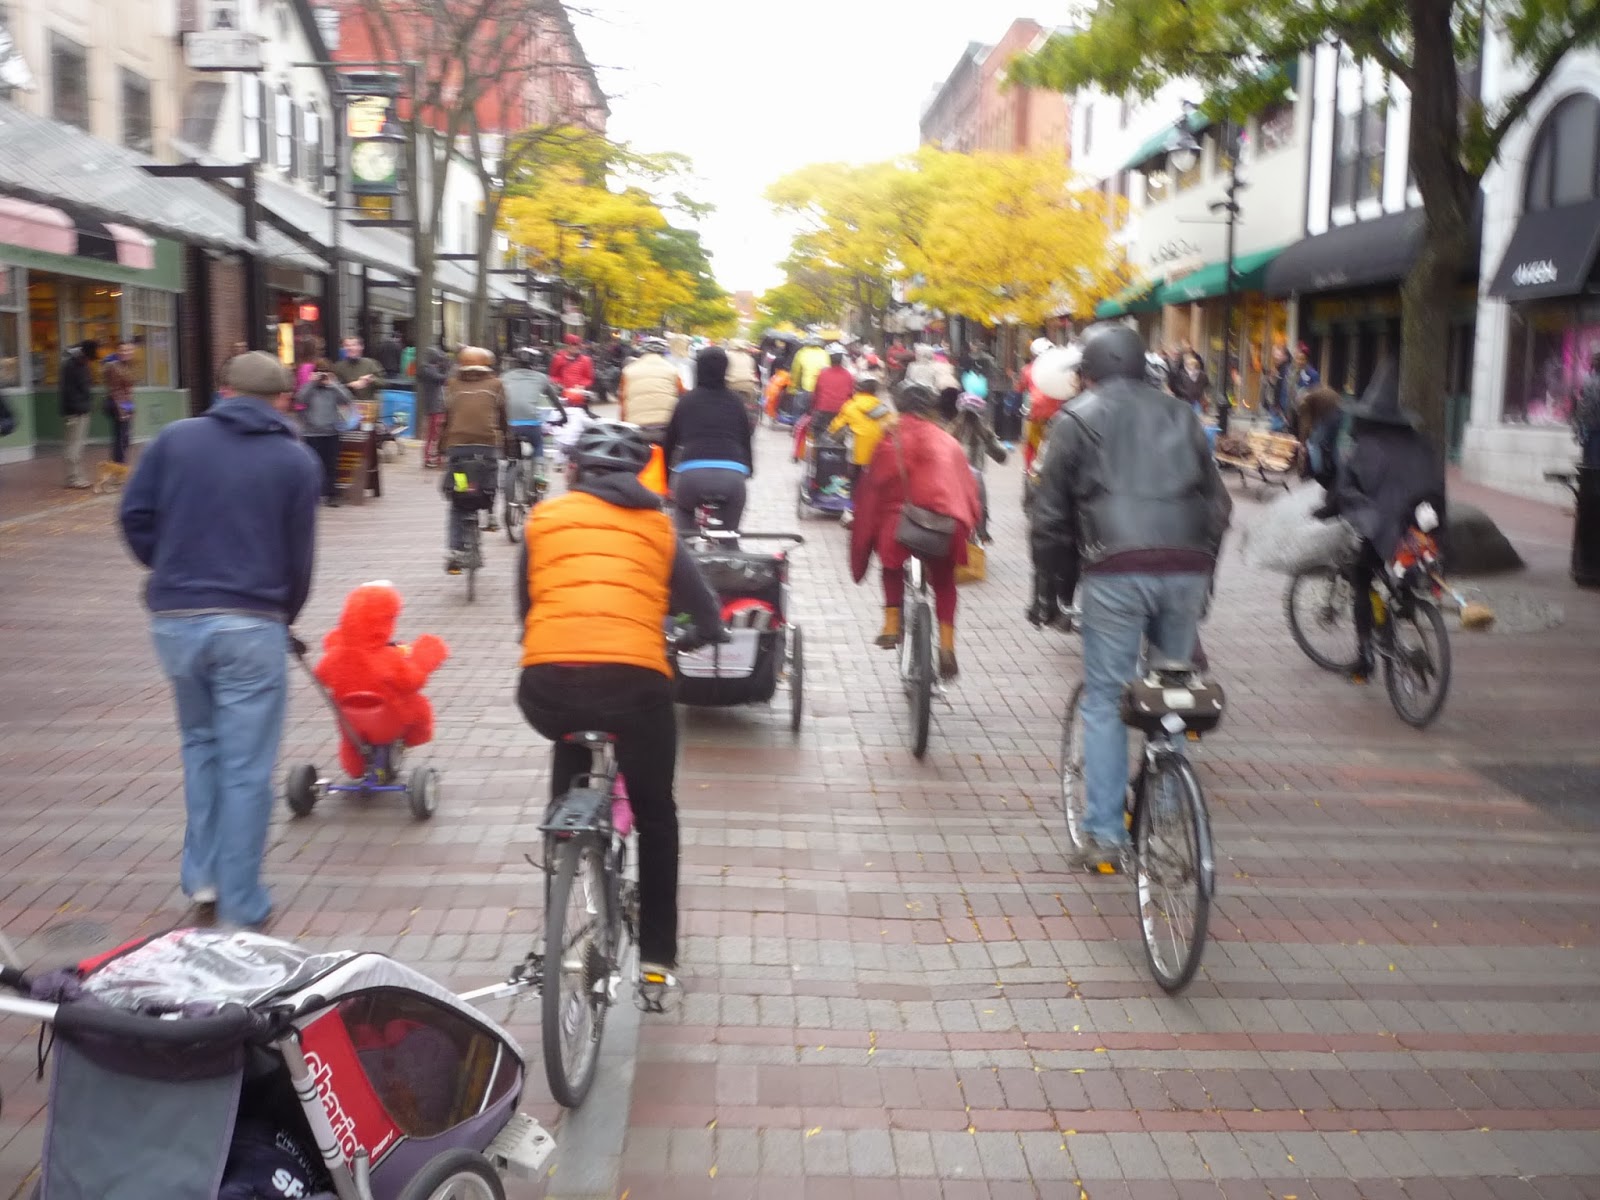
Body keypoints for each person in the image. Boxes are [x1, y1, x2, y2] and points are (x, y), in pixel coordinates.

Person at [516, 421, 726, 1006]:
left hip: (546, 684)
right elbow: (706, 616)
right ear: (639, 475)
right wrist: (689, 636)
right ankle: (658, 958)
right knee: (657, 814)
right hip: (636, 683)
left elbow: (525, 609)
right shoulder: (659, 527)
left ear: (576, 471)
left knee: (569, 731)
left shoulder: (542, 519)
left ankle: (564, 852)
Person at [118, 351, 319, 930]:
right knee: (246, 767)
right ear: (282, 399)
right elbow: (298, 558)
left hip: (176, 619)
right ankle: (242, 899)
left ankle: (202, 876)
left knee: (200, 747)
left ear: (223, 389)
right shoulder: (294, 460)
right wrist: (285, 612)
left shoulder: (175, 439)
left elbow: (134, 515)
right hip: (251, 622)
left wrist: (168, 566)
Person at [1029, 322, 1232, 867]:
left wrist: (1051, 592)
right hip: (1187, 563)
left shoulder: (1074, 419)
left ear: (1090, 373)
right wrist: (1202, 574)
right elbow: (1218, 506)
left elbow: (1049, 520)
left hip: (1115, 567)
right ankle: (1165, 808)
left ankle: (1104, 836)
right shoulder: (1183, 415)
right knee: (1174, 685)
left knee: (1105, 697)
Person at [1312, 362, 1445, 682]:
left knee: (1361, 579)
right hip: (1424, 531)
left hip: (1383, 531)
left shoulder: (1360, 449)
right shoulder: (1424, 447)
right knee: (1400, 577)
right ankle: (1403, 609)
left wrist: (1324, 513)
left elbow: (1343, 493)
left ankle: (1365, 658)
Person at [849, 383, 982, 680]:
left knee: (892, 566)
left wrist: (861, 541)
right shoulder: (948, 441)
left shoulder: (889, 439)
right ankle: (947, 645)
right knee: (945, 581)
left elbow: (873, 492)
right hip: (947, 527)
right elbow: (969, 492)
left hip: (900, 528)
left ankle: (891, 623)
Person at [663, 345, 755, 532]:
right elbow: (746, 440)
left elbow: (669, 442)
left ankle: (687, 546)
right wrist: (748, 470)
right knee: (729, 536)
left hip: (691, 476)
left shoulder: (686, 401)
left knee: (683, 520)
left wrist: (666, 479)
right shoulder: (736, 402)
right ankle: (729, 549)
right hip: (732, 477)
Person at [438, 345, 510, 570]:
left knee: (459, 500)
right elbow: (502, 416)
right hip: (487, 447)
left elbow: (447, 418)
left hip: (458, 450)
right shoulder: (496, 385)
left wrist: (442, 447)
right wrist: (506, 440)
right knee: (489, 482)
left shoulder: (451, 385)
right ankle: (489, 516)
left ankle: (455, 550)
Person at [295, 360, 355, 505]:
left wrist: (333, 384)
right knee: (313, 465)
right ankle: (313, 493)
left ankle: (332, 495)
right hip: (311, 432)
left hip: (331, 432)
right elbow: (300, 399)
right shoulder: (309, 388)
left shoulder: (333, 387)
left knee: (331, 465)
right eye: (319, 371)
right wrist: (311, 383)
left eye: (325, 371)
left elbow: (347, 399)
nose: (322, 375)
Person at [502, 346, 566, 475]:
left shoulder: (505, 377)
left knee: (510, 447)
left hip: (509, 425)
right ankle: (539, 471)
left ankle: (511, 465)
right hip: (531, 424)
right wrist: (564, 416)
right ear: (535, 363)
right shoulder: (541, 378)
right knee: (538, 445)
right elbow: (554, 399)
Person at [792, 343, 856, 460]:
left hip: (821, 412)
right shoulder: (849, 376)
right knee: (840, 441)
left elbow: (815, 395)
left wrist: (811, 411)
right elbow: (852, 397)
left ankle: (815, 462)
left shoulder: (822, 373)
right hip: (841, 415)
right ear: (842, 359)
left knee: (816, 438)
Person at [619, 337, 683, 441]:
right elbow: (682, 395)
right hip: (666, 426)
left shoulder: (628, 371)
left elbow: (622, 401)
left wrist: (623, 424)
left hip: (636, 427)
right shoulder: (672, 370)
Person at [60, 339, 97, 488]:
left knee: (77, 444)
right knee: (74, 445)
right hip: (76, 412)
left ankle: (76, 476)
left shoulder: (80, 363)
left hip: (80, 410)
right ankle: (73, 477)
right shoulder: (72, 365)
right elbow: (69, 391)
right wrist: (80, 408)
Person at [1294, 383, 1344, 491]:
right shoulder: (1315, 393)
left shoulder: (1305, 402)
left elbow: (1305, 424)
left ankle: (1317, 472)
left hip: (1330, 414)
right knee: (1333, 444)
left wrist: (1302, 442)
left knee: (1314, 443)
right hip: (1340, 412)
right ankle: (1339, 472)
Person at [104, 340, 138, 469]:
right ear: (118, 352)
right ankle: (118, 468)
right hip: (117, 406)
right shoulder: (113, 367)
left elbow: (129, 389)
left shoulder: (128, 365)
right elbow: (115, 390)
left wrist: (130, 408)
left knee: (125, 438)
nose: (126, 353)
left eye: (129, 350)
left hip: (127, 405)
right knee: (120, 438)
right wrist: (122, 410)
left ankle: (117, 467)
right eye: (123, 350)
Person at [333, 337, 384, 420]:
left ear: (361, 347)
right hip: (348, 410)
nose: (350, 348)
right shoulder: (338, 367)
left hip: (368, 409)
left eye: (353, 345)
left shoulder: (371, 364)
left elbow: (383, 383)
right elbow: (333, 388)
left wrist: (371, 380)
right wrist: (350, 385)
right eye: (347, 345)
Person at [417, 347, 450, 468]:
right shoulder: (428, 370)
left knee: (435, 434)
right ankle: (430, 457)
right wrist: (446, 364)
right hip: (434, 407)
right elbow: (442, 378)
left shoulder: (428, 369)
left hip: (436, 406)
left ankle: (433, 456)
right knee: (433, 434)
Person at [724, 338, 762, 427]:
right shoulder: (750, 358)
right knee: (750, 405)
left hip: (731, 385)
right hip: (749, 386)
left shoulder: (727, 355)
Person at [789, 337, 830, 414]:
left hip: (808, 389)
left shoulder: (801, 353)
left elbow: (795, 373)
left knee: (799, 411)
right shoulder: (825, 353)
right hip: (822, 391)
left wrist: (792, 388)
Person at [1576, 348, 1600, 468]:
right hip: (1588, 426)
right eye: (1595, 358)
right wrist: (1579, 426)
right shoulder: (1587, 378)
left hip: (1597, 427)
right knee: (1587, 461)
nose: (1596, 360)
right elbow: (1581, 401)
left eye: (1598, 358)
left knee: (1595, 462)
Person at [1263, 344, 1294, 432]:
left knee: (1276, 431)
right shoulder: (1280, 370)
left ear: (1285, 356)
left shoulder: (1285, 370)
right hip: (1277, 409)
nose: (1275, 358)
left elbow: (1285, 391)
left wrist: (1281, 409)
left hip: (1280, 411)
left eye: (1278, 355)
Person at [1170, 349, 1210, 416]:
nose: (1192, 367)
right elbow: (1176, 387)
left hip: (1196, 401)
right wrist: (1184, 393)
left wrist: (1203, 395)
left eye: (1193, 365)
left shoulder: (1202, 375)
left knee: (1196, 416)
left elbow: (1206, 385)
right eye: (1189, 364)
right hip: (1185, 401)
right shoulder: (1181, 374)